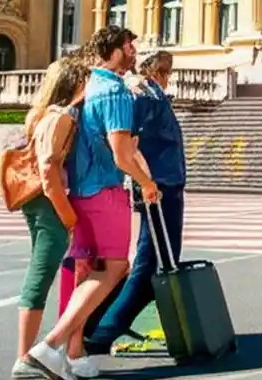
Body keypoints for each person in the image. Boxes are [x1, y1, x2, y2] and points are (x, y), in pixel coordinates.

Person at [24, 26, 160, 380]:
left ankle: (72, 352)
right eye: (130, 46)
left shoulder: (89, 87)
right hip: (105, 191)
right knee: (114, 268)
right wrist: (147, 184)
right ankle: (50, 345)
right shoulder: (115, 91)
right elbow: (120, 154)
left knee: (90, 270)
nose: (134, 52)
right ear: (113, 50)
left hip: (82, 193)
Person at [85, 51, 187, 355]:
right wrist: (145, 180)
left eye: (170, 70)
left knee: (156, 263)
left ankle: (96, 322)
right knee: (150, 266)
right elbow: (129, 142)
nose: (168, 76)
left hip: (165, 183)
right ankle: (102, 329)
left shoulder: (151, 91)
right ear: (150, 69)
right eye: (165, 70)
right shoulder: (141, 92)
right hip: (159, 187)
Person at [3, 58, 88, 379]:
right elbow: (50, 171)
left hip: (36, 201)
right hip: (49, 202)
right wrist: (69, 218)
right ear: (73, 84)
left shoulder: (37, 114)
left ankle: (27, 356)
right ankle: (24, 359)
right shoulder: (60, 117)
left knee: (39, 273)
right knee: (39, 276)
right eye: (84, 80)